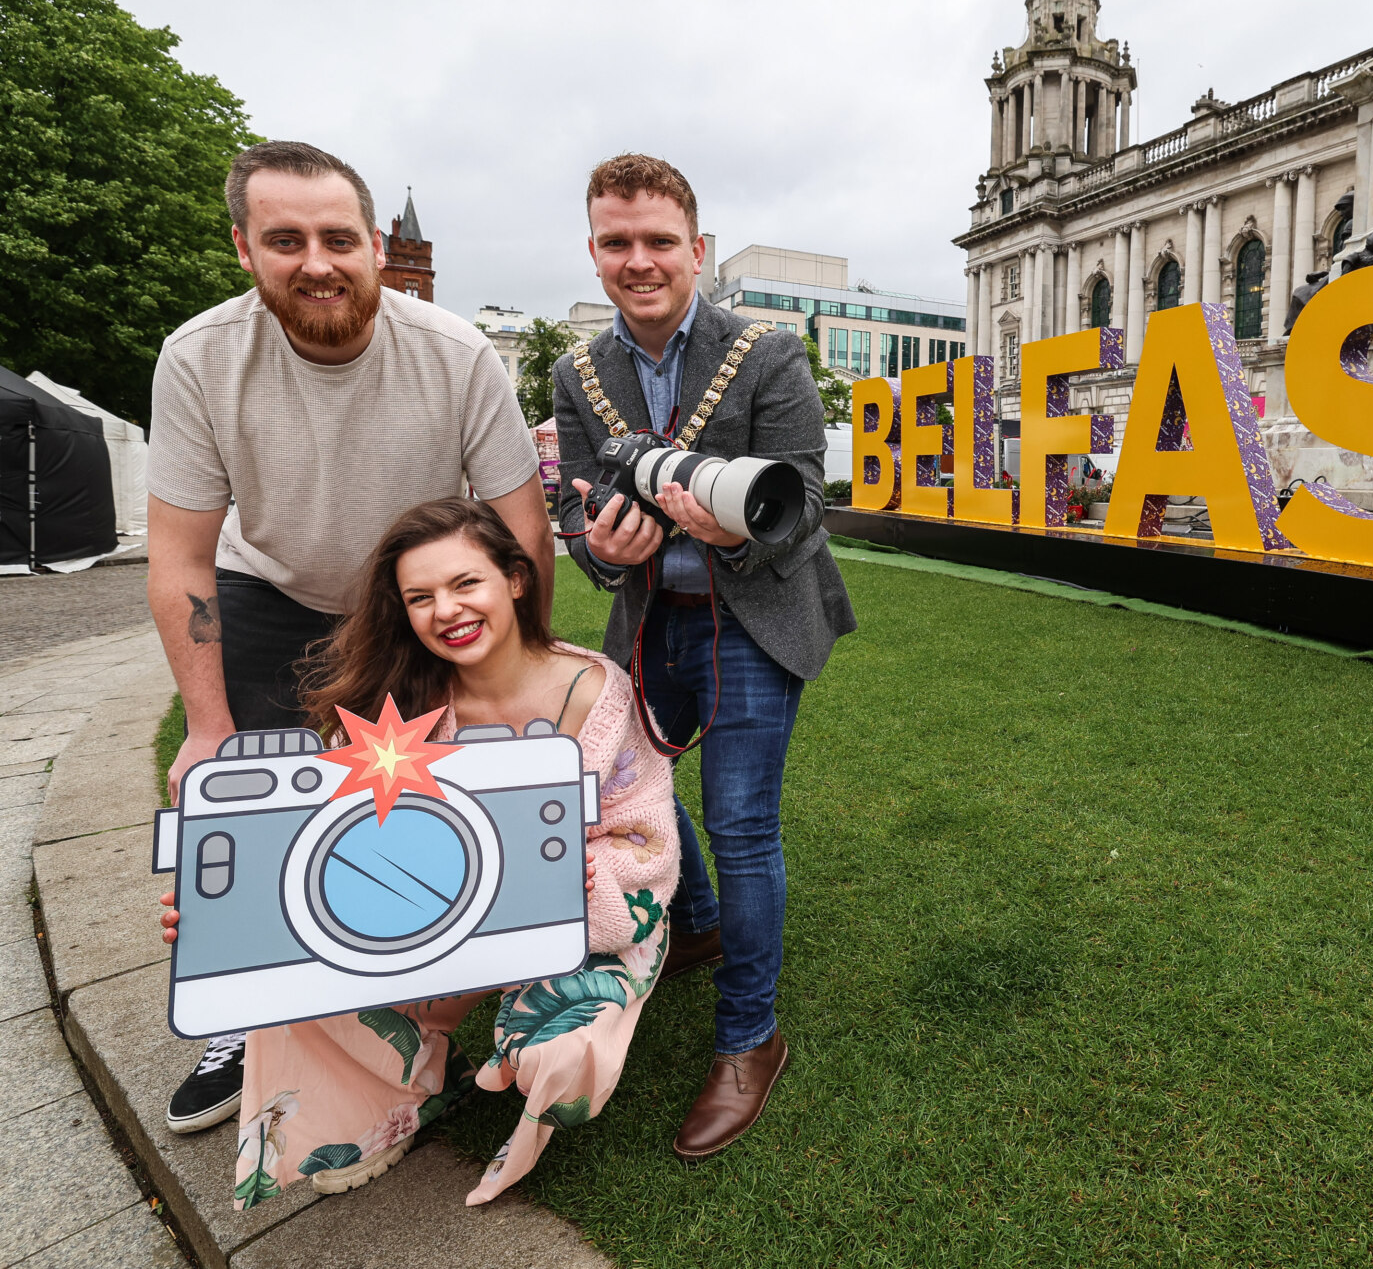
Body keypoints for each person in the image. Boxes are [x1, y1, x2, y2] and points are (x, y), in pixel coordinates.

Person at [147, 141, 553, 1136]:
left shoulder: (456, 354)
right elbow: (180, 557)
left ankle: (416, 1005)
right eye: (286, 239)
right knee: (251, 800)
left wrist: (516, 677)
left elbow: (524, 531)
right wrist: (205, 726)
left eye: (338, 238)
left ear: (377, 246)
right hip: (265, 584)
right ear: (246, 250)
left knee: (408, 805)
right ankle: (242, 1018)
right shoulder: (198, 356)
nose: (316, 261)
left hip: (406, 603)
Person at [160, 499, 678, 1206]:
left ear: (516, 579)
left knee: (559, 1051)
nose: (447, 609)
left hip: (582, 913)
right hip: (445, 919)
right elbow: (332, 846)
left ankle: (506, 1036)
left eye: (467, 582)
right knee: (291, 990)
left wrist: (581, 883)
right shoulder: (398, 705)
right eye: (421, 597)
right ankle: (419, 1082)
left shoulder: (599, 693)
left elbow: (646, 840)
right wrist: (231, 918)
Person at [553, 153, 854, 1160]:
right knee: (626, 787)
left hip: (754, 617)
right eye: (616, 242)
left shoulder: (765, 353)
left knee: (741, 819)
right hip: (651, 620)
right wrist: (596, 545)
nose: (639, 261)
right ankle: (704, 921)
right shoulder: (576, 372)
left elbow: (807, 502)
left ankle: (746, 1039)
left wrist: (732, 530)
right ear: (595, 251)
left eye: (658, 242)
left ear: (696, 250)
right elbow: (577, 501)